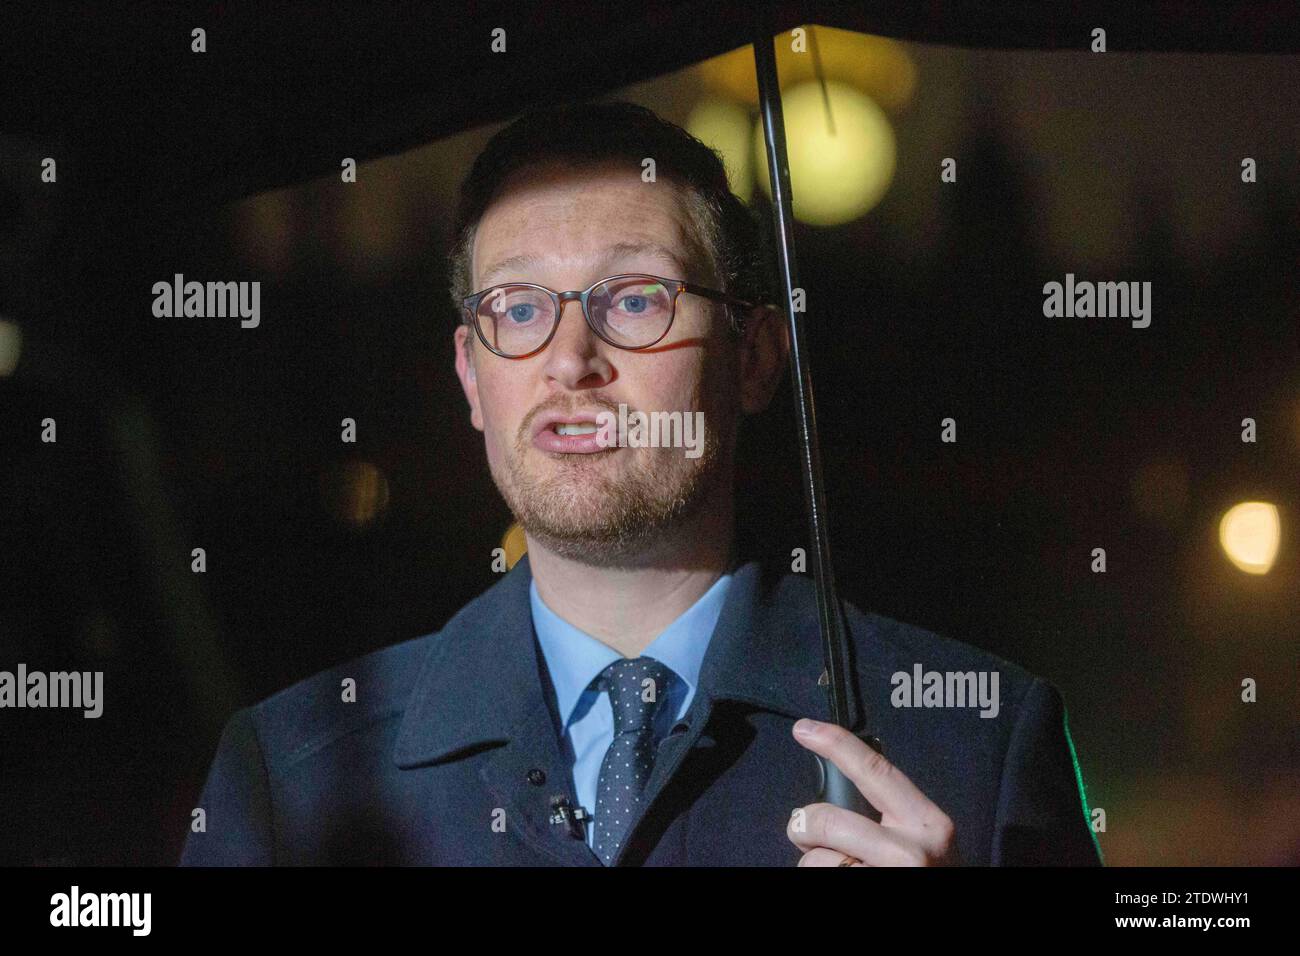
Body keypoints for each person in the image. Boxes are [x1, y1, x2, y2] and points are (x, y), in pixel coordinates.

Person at [180, 100, 1102, 867]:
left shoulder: (977, 744)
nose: (570, 361)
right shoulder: (294, 775)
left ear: (754, 357)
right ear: (471, 377)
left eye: (633, 299)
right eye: (520, 308)